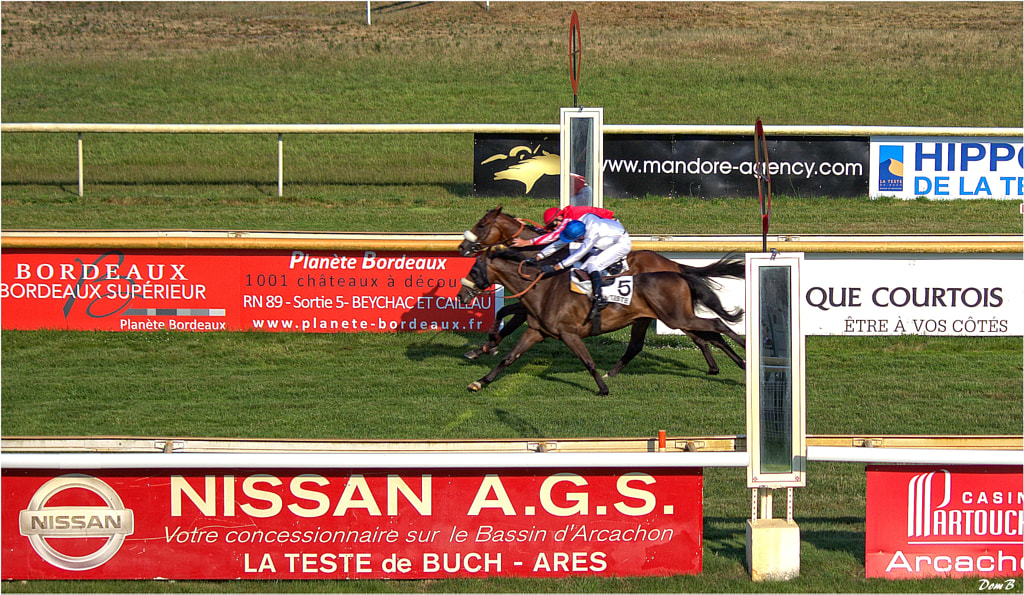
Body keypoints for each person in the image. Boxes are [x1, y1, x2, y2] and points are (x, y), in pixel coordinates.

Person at [530, 212, 632, 318]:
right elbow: (560, 243)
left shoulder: (592, 235)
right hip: (611, 234)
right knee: (582, 269)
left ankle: (600, 298)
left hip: (621, 243)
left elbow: (579, 254)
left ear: (582, 236)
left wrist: (556, 267)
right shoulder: (579, 224)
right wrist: (538, 256)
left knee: (593, 265)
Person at [509, 203, 614, 248]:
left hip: (610, 230)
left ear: (559, 217)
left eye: (554, 224)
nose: (554, 228)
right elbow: (547, 231)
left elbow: (554, 235)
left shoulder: (569, 216)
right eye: (552, 226)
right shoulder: (565, 216)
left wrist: (527, 243)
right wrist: (525, 226)